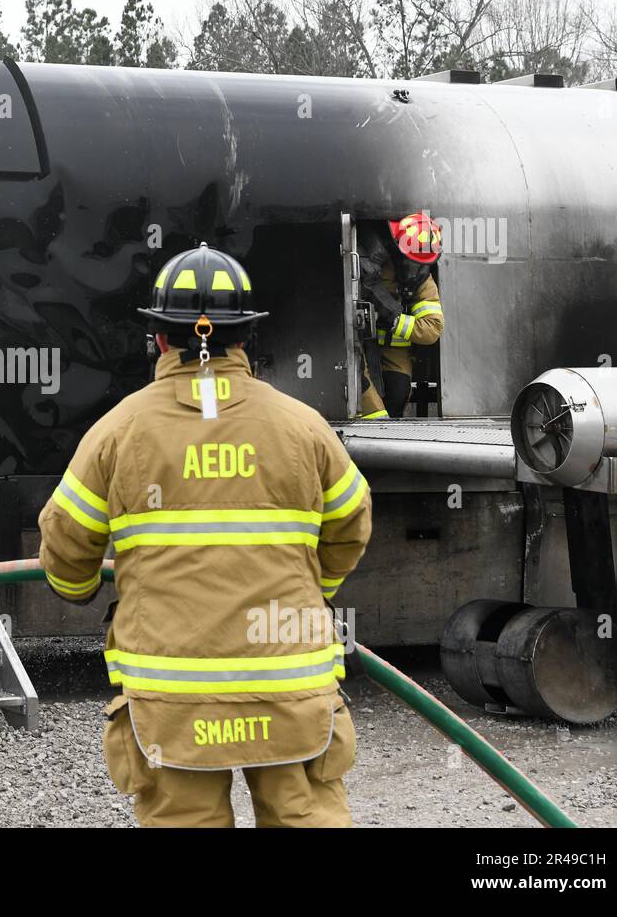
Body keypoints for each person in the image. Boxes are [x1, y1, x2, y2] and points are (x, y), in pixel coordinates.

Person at [38, 244, 372, 827]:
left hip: (174, 697)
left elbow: (66, 544)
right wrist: (318, 584)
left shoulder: (118, 431)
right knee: (304, 817)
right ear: (244, 338)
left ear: (161, 340)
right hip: (288, 683)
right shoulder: (304, 427)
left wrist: (80, 587)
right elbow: (352, 521)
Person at [358, 212, 444, 418]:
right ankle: (373, 441)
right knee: (371, 408)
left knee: (397, 395)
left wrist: (395, 320)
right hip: (356, 343)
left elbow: (433, 328)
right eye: (409, 259)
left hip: (393, 346)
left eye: (420, 262)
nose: (413, 266)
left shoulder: (421, 275)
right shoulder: (366, 259)